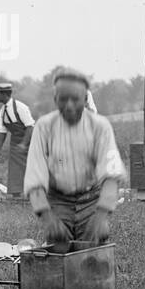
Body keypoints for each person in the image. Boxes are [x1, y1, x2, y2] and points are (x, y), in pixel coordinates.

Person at [24, 70, 125, 247]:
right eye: (63, 99)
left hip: (91, 200)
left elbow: (111, 174)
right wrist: (48, 217)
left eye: (75, 99)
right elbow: (35, 176)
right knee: (58, 251)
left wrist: (101, 217)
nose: (69, 105)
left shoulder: (100, 126)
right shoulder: (44, 127)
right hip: (58, 200)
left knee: (94, 254)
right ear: (55, 100)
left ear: (85, 100)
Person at [0, 81, 34, 198]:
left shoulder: (21, 107)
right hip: (15, 141)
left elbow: (30, 127)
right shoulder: (2, 111)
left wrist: (24, 144)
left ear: (5, 94)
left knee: (30, 167)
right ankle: (16, 196)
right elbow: (2, 131)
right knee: (15, 169)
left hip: (30, 140)